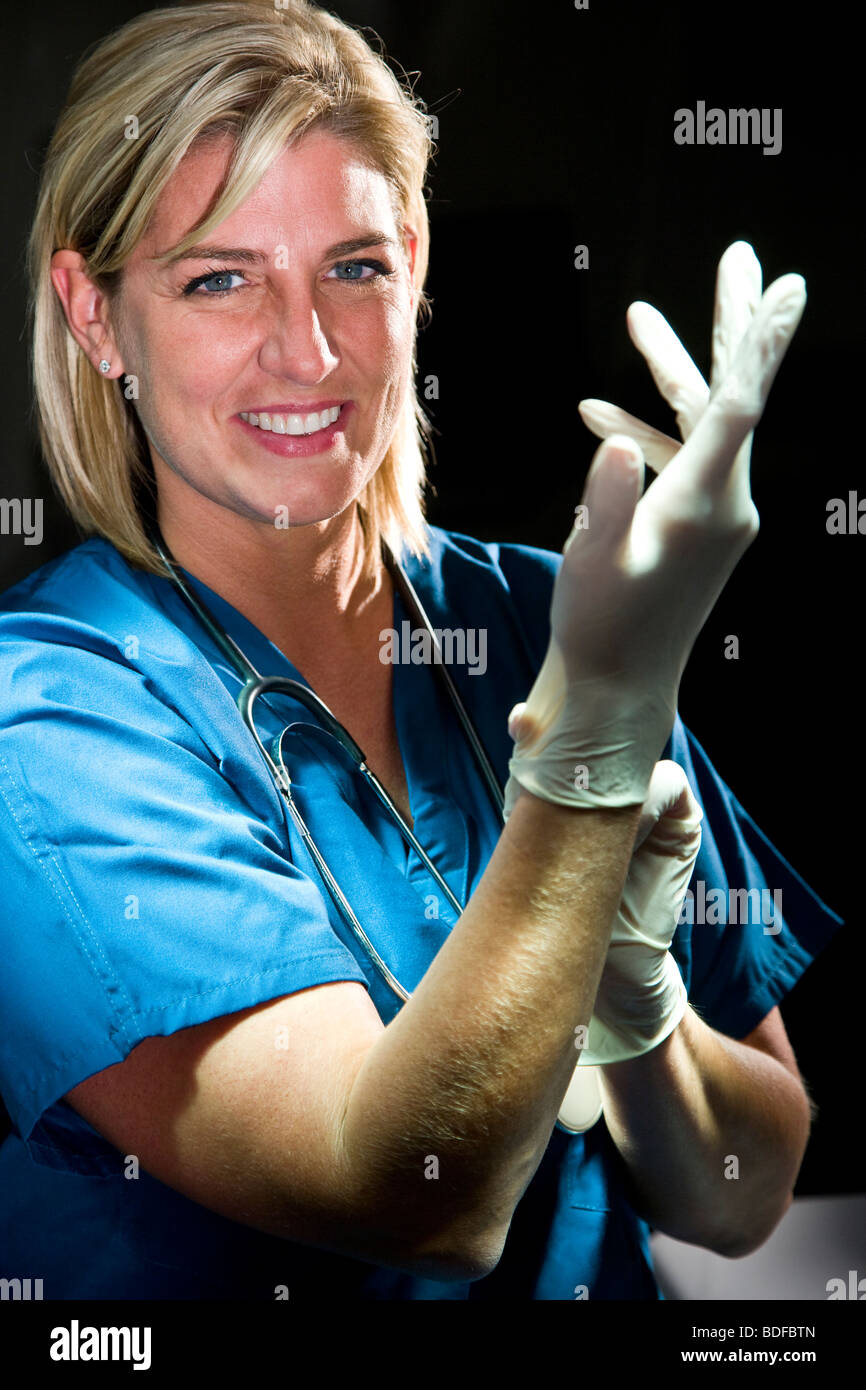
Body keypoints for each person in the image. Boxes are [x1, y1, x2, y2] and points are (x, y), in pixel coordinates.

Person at [0, 0, 842, 1300]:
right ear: (96, 314)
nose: (310, 348)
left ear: (417, 261)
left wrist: (633, 1003)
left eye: (354, 265)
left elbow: (742, 1195)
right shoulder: (46, 718)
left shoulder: (557, 618)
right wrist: (585, 758)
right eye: (219, 277)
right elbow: (401, 1193)